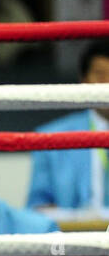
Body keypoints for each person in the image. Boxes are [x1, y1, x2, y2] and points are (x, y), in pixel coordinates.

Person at [26, 41, 109, 212]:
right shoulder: (50, 138)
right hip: (70, 235)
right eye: (101, 76)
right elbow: (37, 208)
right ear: (84, 81)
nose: (108, 84)